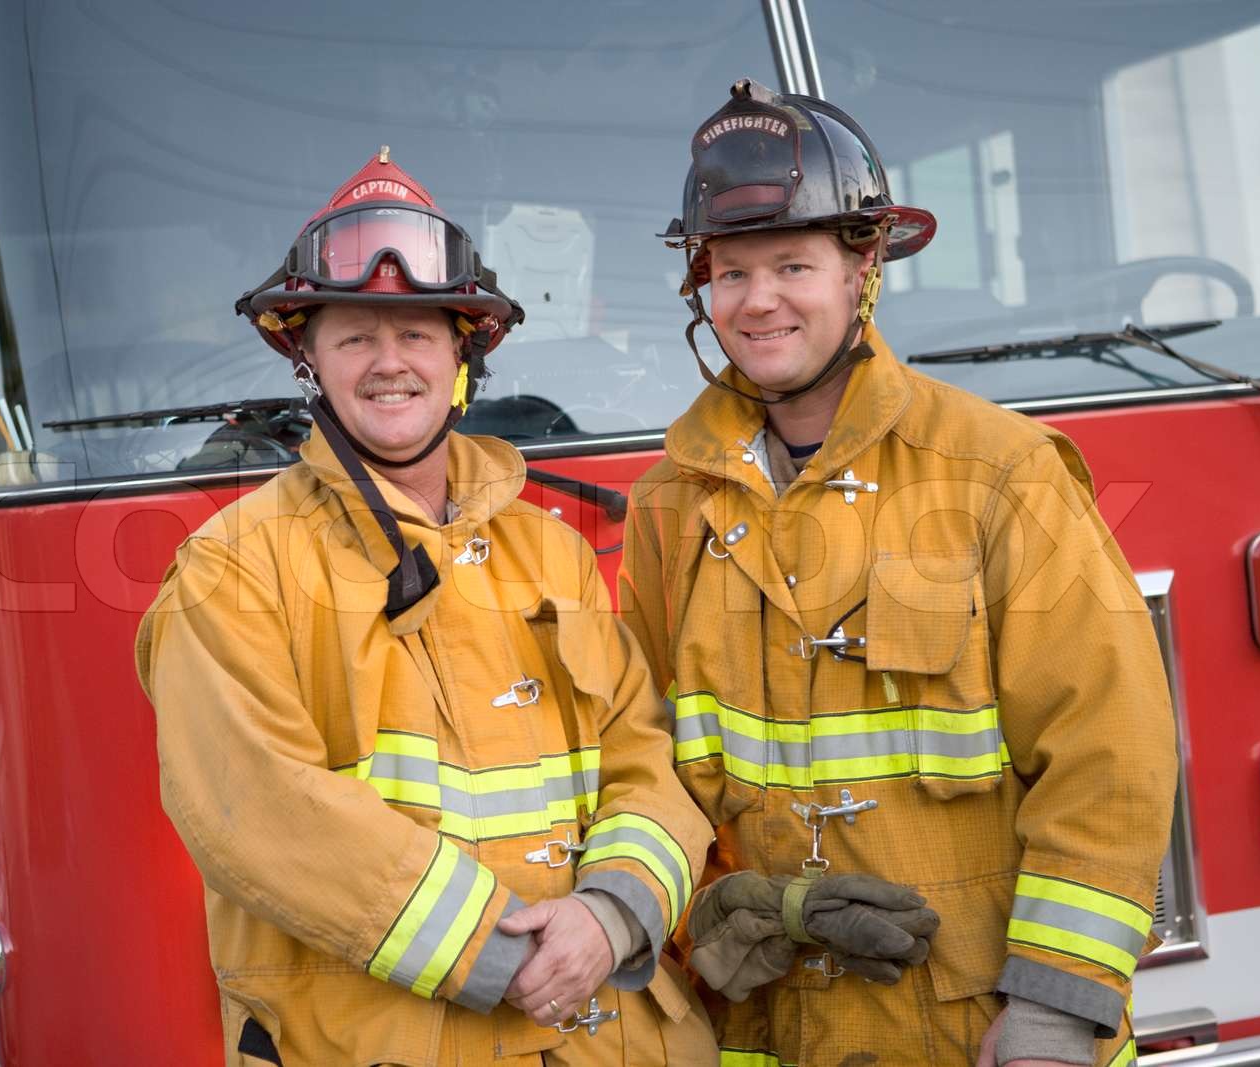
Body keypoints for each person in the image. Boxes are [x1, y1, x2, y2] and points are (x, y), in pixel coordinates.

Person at [617, 79, 1178, 1067]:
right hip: (769, 1027)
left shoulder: (996, 469)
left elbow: (1110, 746)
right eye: (732, 271)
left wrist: (1057, 1005)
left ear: (861, 270)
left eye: (794, 263)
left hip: (978, 1025)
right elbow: (639, 753)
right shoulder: (671, 503)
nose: (758, 300)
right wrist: (705, 913)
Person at [136, 149, 717, 1066]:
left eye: (417, 333)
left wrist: (610, 915)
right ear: (309, 360)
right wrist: (500, 951)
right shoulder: (232, 570)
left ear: (463, 356)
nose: (390, 363)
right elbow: (261, 809)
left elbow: (649, 762)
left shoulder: (551, 551)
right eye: (355, 336)